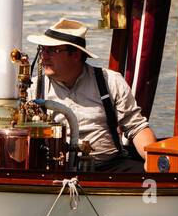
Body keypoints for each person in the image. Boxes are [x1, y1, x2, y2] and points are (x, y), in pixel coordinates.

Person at [27, 18, 157, 172]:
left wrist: (153, 162)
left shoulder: (110, 81)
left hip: (109, 167)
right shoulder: (33, 89)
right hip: (55, 167)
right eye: (42, 49)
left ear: (75, 54)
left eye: (52, 51)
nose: (44, 57)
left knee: (149, 179)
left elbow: (136, 127)